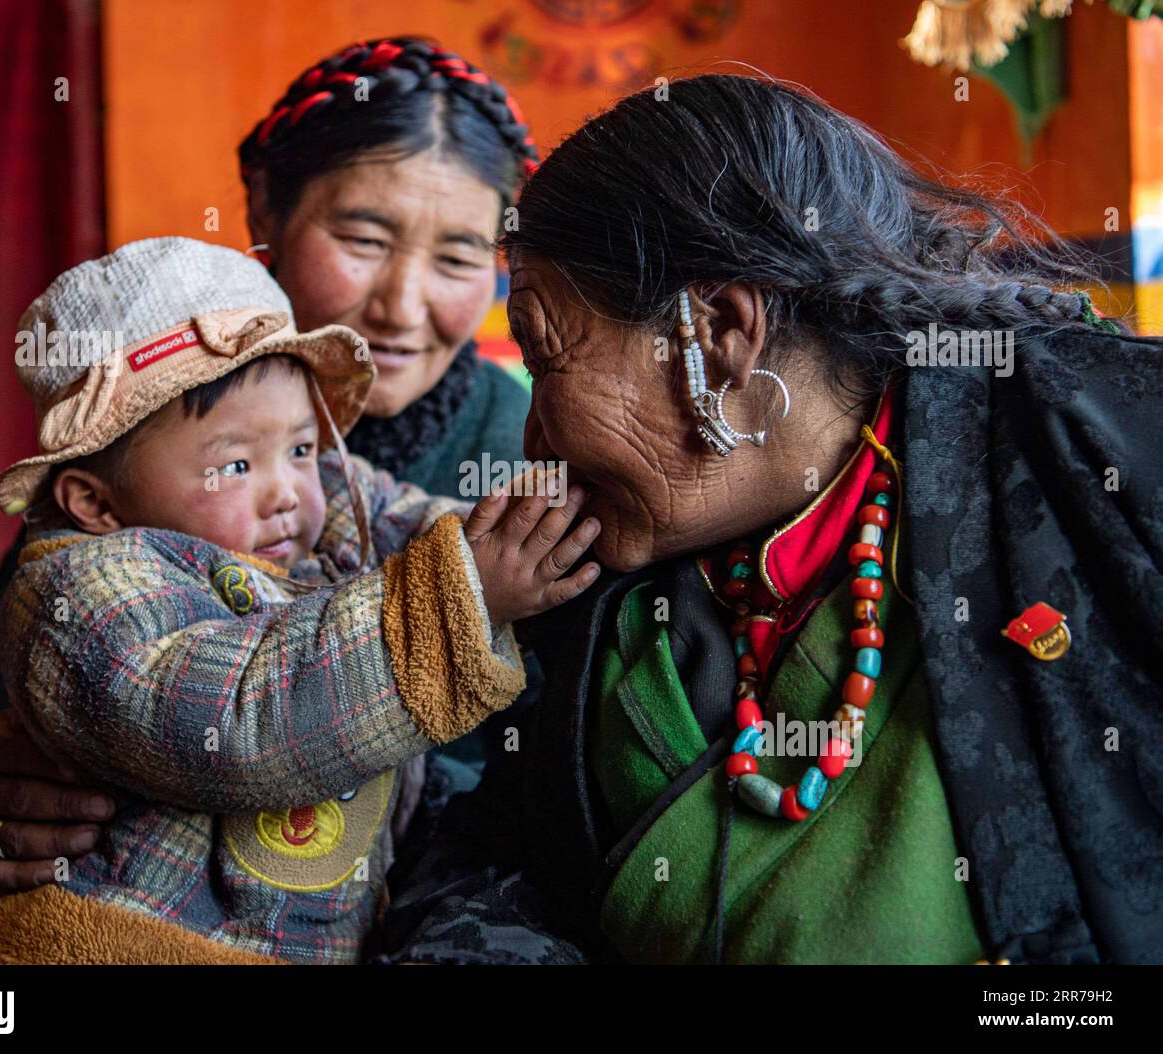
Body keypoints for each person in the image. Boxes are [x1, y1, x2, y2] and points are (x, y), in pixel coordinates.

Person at [380, 74, 1163, 965]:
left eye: (546, 358)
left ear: (717, 331)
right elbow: (497, 860)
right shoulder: (604, 580)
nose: (533, 439)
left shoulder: (1094, 459)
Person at [0, 37, 539, 903]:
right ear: (265, 209)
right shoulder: (154, 419)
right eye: (362, 236)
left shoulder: (533, 449)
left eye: (459, 257)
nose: (401, 303)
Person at [0, 237, 597, 963]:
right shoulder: (83, 596)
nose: (288, 492)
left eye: (299, 448)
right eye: (234, 464)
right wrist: (467, 593)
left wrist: (532, 540)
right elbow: (242, 714)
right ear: (95, 501)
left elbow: (425, 528)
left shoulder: (313, 506)